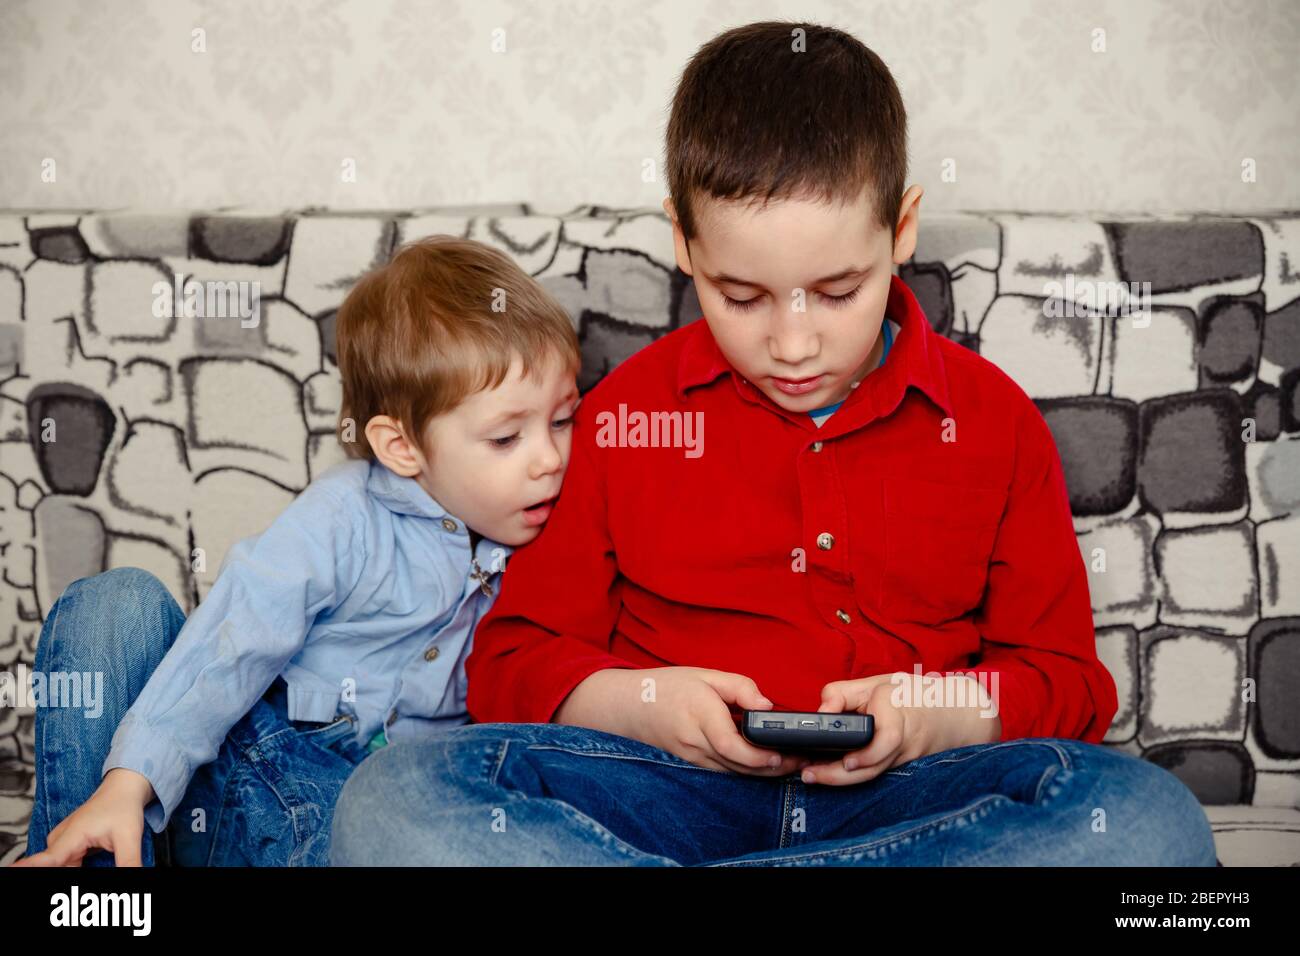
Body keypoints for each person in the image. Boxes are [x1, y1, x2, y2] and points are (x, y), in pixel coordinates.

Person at [328, 21, 1218, 867]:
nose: (793, 346)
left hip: (914, 801)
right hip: (668, 796)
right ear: (683, 243)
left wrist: (932, 713)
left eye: (836, 291)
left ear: (901, 230)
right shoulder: (622, 415)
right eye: (742, 297)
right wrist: (646, 704)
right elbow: (510, 668)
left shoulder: (993, 420)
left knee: (1149, 824)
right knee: (397, 798)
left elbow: (1068, 684)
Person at [15, 235, 582, 866]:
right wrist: (132, 780)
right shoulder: (344, 515)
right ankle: (87, 873)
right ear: (402, 448)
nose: (550, 458)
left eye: (563, 420)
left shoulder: (558, 531)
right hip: (237, 778)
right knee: (118, 603)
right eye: (507, 437)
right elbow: (237, 637)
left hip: (354, 829)